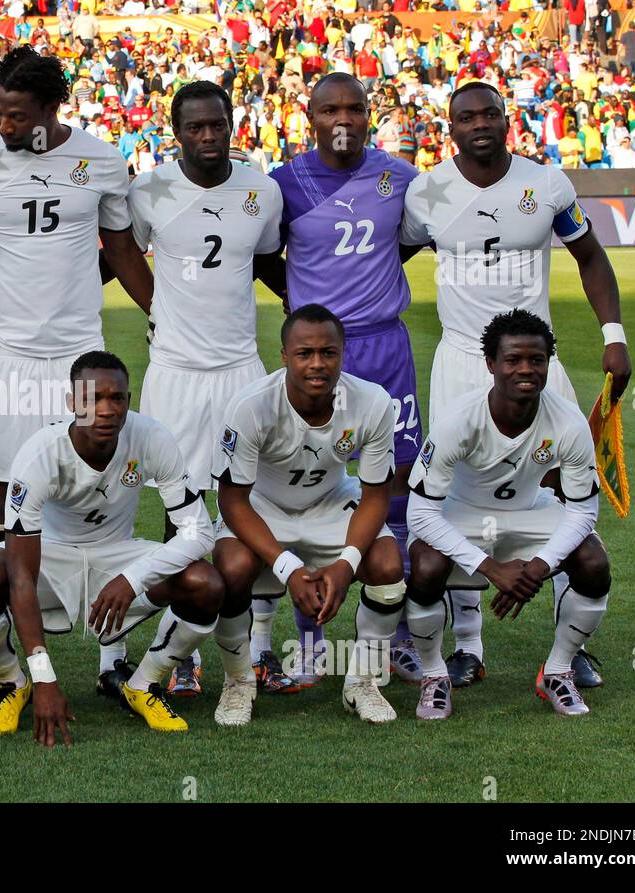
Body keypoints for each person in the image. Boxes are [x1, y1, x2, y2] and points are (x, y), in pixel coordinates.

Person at [401, 81, 631, 689]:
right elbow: (383, 262)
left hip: (537, 364)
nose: (480, 123)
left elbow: (590, 257)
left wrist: (614, 334)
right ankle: (469, 645)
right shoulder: (426, 192)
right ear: (448, 127)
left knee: (560, 495)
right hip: (459, 365)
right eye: (466, 116)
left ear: (508, 120)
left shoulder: (548, 184)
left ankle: (569, 643)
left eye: (490, 113)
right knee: (455, 500)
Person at [0, 45, 153, 559]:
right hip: (8, 355)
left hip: (79, 356)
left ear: (51, 107)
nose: (6, 126)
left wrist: (161, 314)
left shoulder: (100, 159)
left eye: (18, 116)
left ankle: (84, 594)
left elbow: (122, 249)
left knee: (86, 481)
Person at [0, 351, 222, 741]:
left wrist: (132, 579)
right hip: (52, 557)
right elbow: (21, 574)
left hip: (118, 556)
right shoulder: (40, 453)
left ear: (129, 402)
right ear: (71, 403)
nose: (105, 410)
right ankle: (13, 683)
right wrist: (44, 678)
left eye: (116, 398)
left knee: (206, 583)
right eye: (91, 399)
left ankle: (143, 685)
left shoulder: (152, 437)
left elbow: (199, 533)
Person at [261, 72, 426, 687]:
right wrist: (305, 306)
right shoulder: (285, 184)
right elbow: (262, 257)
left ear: (369, 115)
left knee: (400, 474)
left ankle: (399, 632)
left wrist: (373, 279)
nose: (344, 119)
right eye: (330, 108)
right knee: (313, 482)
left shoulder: (401, 177)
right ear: (309, 117)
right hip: (320, 354)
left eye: (355, 108)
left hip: (385, 344)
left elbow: (404, 242)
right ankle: (311, 641)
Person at [127, 80, 285, 697]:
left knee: (252, 505)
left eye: (217, 124)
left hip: (241, 370)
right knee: (180, 512)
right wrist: (154, 308)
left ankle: (259, 651)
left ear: (231, 124)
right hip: (174, 374)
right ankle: (183, 648)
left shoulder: (261, 190)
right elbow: (119, 252)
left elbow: (268, 260)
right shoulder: (150, 190)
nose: (208, 136)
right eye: (195, 127)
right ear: (177, 132)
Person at [405, 310, 611, 718]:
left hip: (530, 513)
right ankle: (434, 676)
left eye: (536, 360)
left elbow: (584, 510)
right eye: (513, 359)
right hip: (460, 514)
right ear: (491, 364)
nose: (526, 370)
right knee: (426, 565)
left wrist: (541, 565)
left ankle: (558, 670)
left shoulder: (569, 421)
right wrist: (490, 568)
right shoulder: (457, 420)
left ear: (548, 363)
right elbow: (421, 514)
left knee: (592, 561)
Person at [214, 305, 405, 725]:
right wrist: (288, 568)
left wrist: (345, 564)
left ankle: (362, 683)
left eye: (328, 353)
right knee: (230, 567)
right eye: (304, 353)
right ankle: (239, 682)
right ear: (284, 355)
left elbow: (376, 495)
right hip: (261, 507)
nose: (317, 363)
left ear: (342, 354)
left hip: (331, 503)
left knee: (388, 565)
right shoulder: (250, 405)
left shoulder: (371, 402)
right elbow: (232, 500)